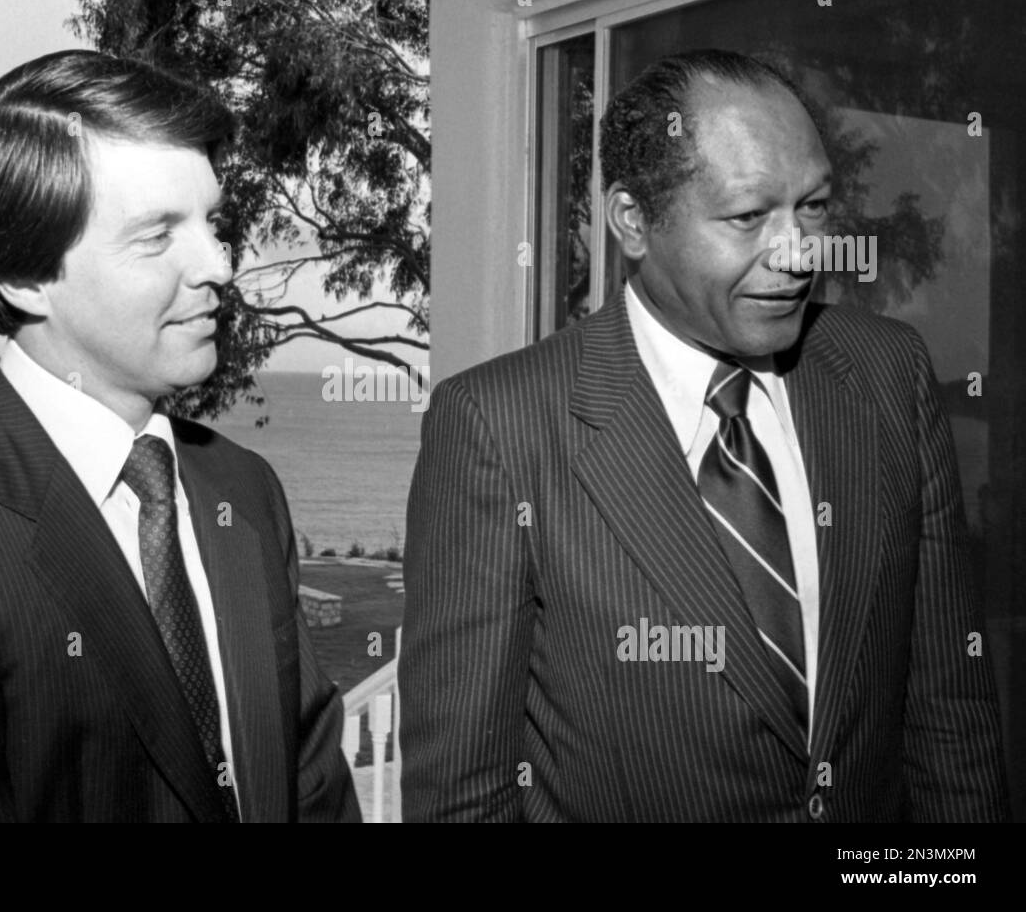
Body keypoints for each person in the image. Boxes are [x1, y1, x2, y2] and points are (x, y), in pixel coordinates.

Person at [399, 49, 1008, 822]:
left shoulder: (889, 374)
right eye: (750, 216)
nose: (798, 255)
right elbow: (464, 795)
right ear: (633, 221)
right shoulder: (498, 428)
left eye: (814, 208)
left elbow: (950, 711)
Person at [0, 49, 360, 823]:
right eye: (158, 236)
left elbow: (312, 786)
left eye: (214, 223)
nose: (221, 266)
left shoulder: (244, 489)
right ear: (25, 275)